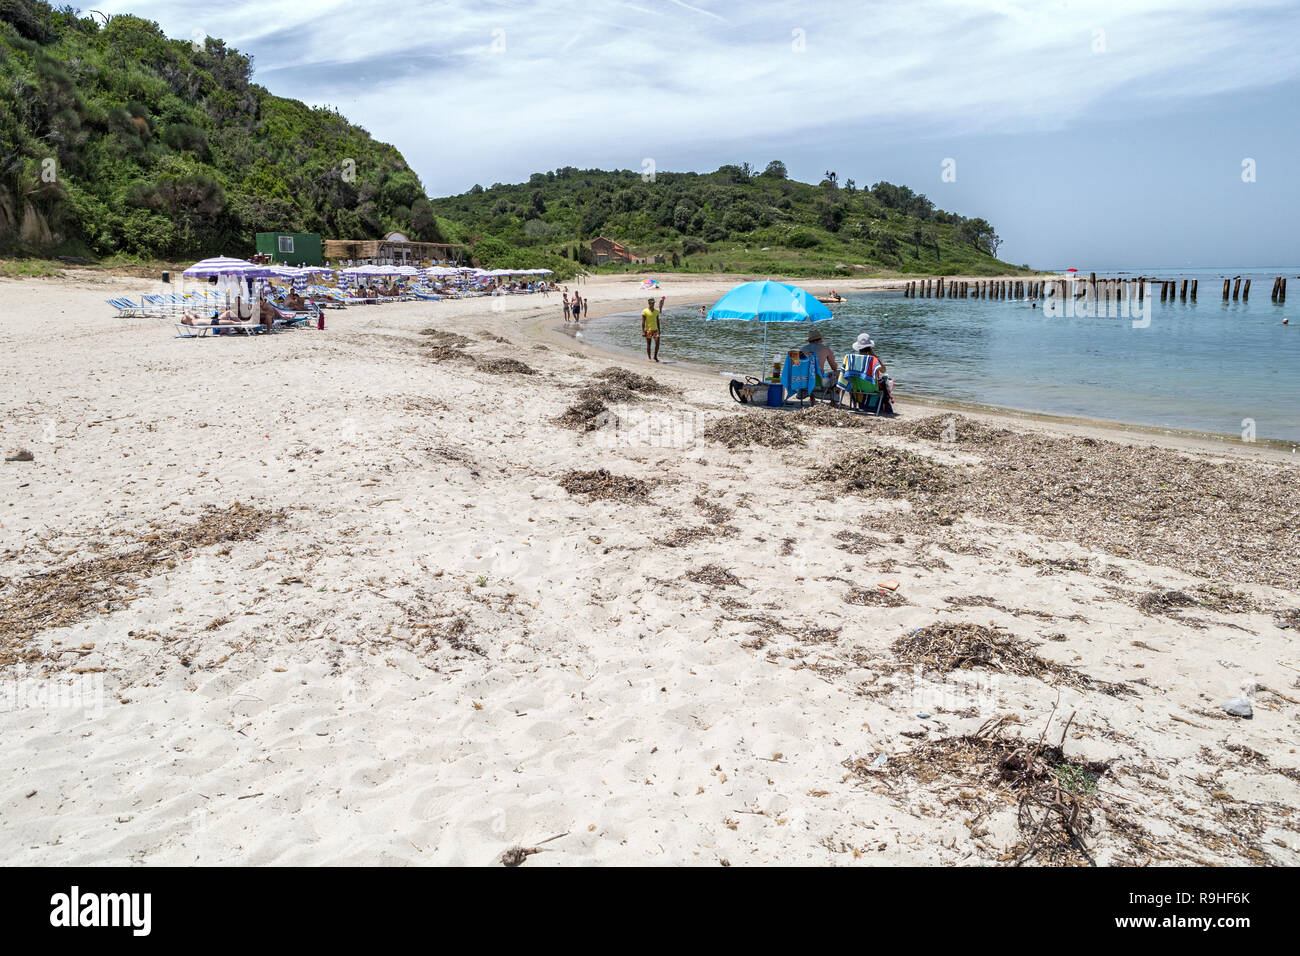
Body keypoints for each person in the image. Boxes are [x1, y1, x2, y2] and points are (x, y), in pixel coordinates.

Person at [642, 295, 665, 362]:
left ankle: (655, 356)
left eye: (653, 303)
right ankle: (649, 357)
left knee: (657, 343)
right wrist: (643, 331)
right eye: (651, 303)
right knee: (649, 344)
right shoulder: (645, 311)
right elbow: (643, 322)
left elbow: (658, 321)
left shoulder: (656, 311)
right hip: (648, 330)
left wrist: (659, 330)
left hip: (655, 330)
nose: (653, 304)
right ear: (649, 303)